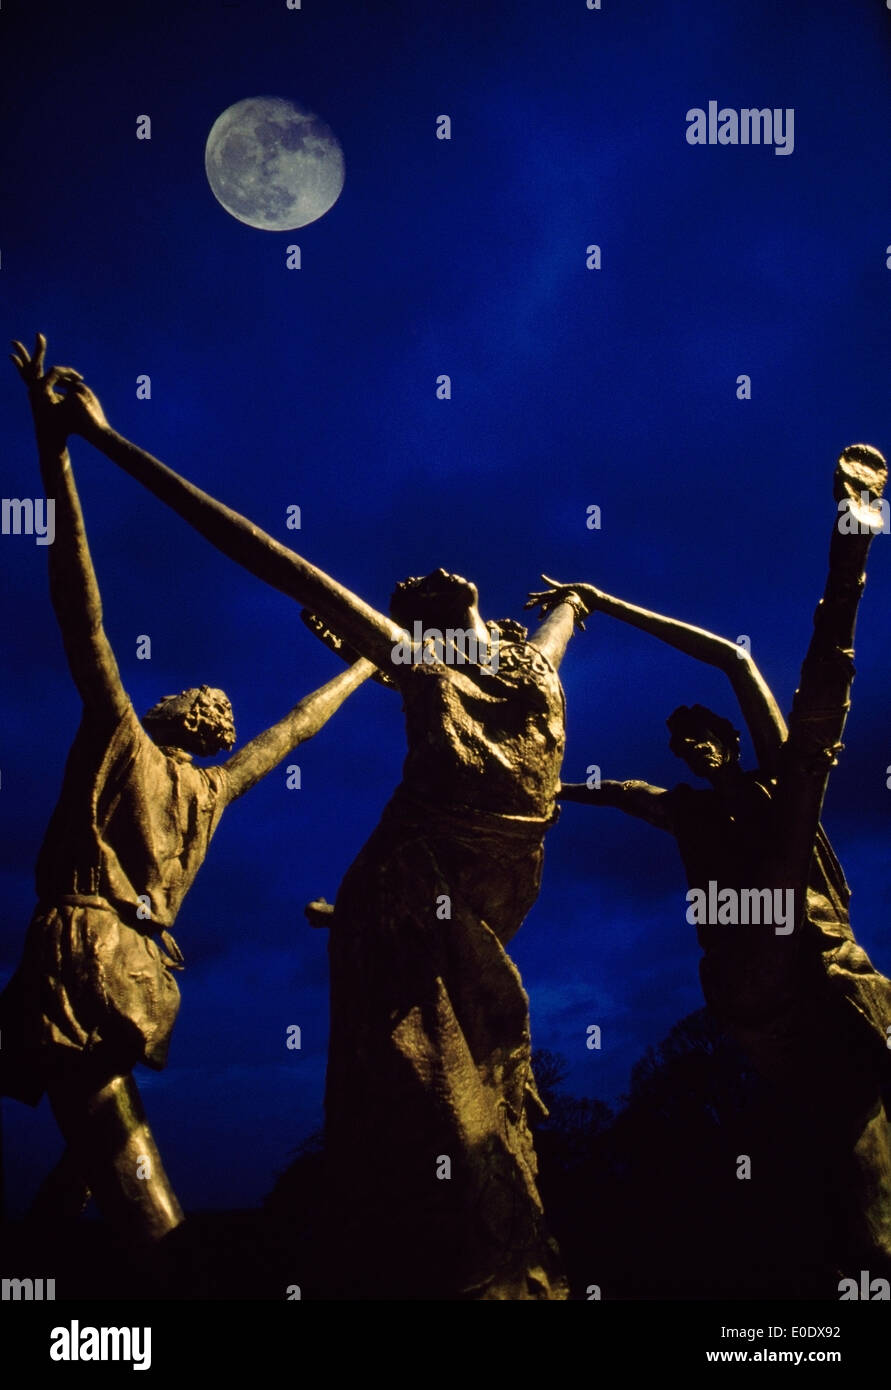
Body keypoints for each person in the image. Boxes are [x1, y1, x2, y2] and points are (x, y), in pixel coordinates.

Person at [53, 353, 585, 1299]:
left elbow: (558, 626)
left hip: (459, 908)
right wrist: (99, 444)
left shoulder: (531, 667)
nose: (436, 575)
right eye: (417, 593)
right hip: (397, 905)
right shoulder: (427, 673)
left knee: (485, 1117)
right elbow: (254, 549)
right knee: (438, 1123)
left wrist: (583, 602)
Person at [0, 336, 373, 1252]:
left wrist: (56, 453)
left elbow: (79, 603)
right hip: (138, 969)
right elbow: (291, 731)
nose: (195, 698)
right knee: (91, 1165)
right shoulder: (203, 784)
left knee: (136, 1189)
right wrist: (367, 662)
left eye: (194, 697)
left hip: (90, 952)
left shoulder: (131, 740)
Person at [540, 443, 891, 1277]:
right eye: (680, 742)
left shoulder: (771, 777)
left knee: (811, 738)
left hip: (817, 952)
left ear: (726, 740)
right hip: (750, 975)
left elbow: (734, 661)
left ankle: (852, 543)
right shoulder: (686, 811)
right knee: (825, 1146)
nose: (692, 746)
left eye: (702, 735)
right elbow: (613, 791)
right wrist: (538, 789)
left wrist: (602, 601)